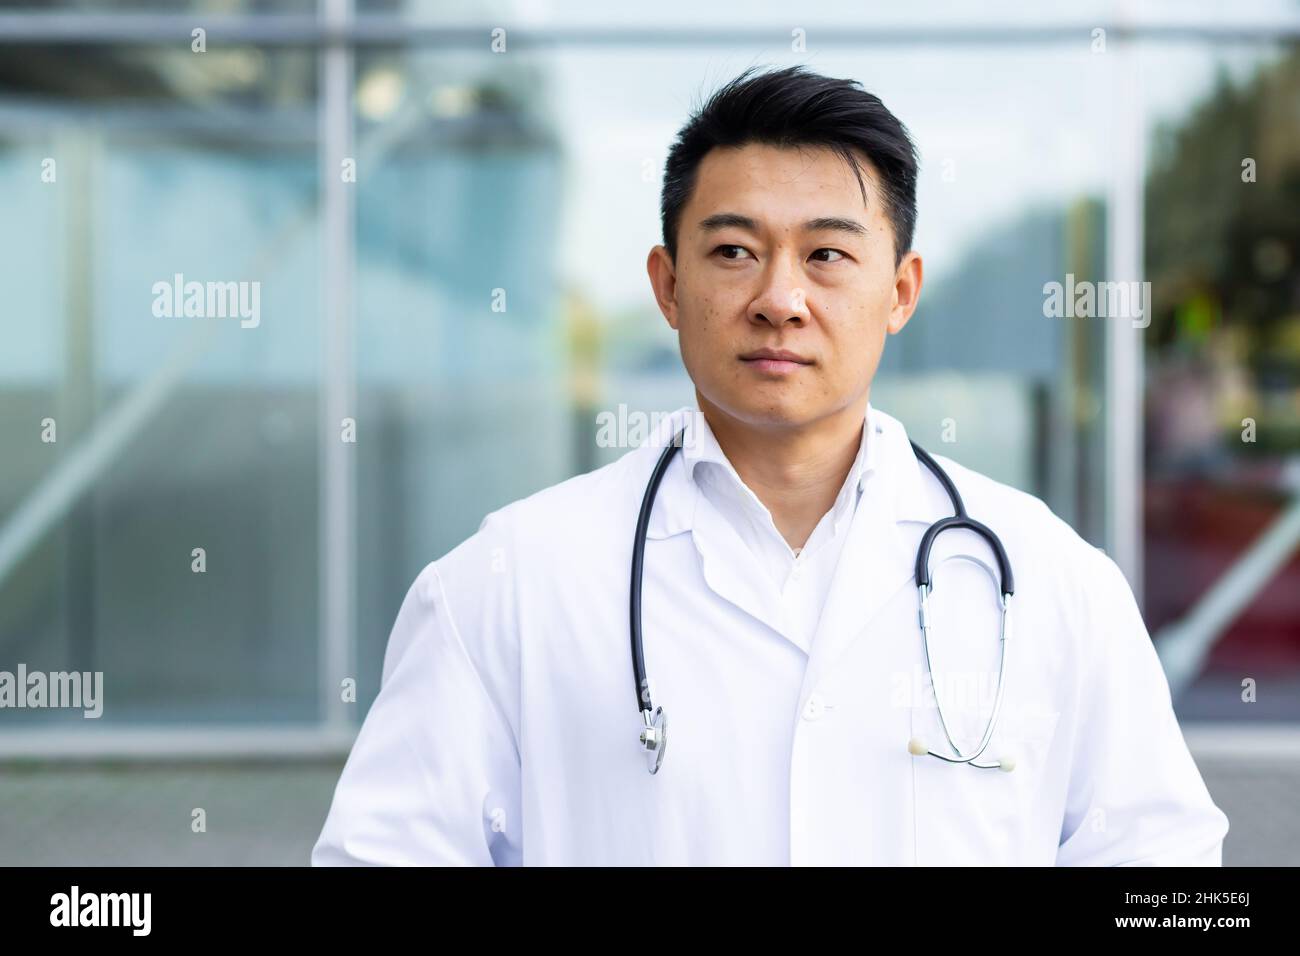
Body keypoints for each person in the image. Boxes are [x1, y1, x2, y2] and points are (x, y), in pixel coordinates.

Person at [312, 65, 1228, 866]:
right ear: (669, 287)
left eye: (827, 254)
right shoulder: (507, 583)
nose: (780, 299)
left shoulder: (1052, 579)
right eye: (734, 252)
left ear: (900, 291)